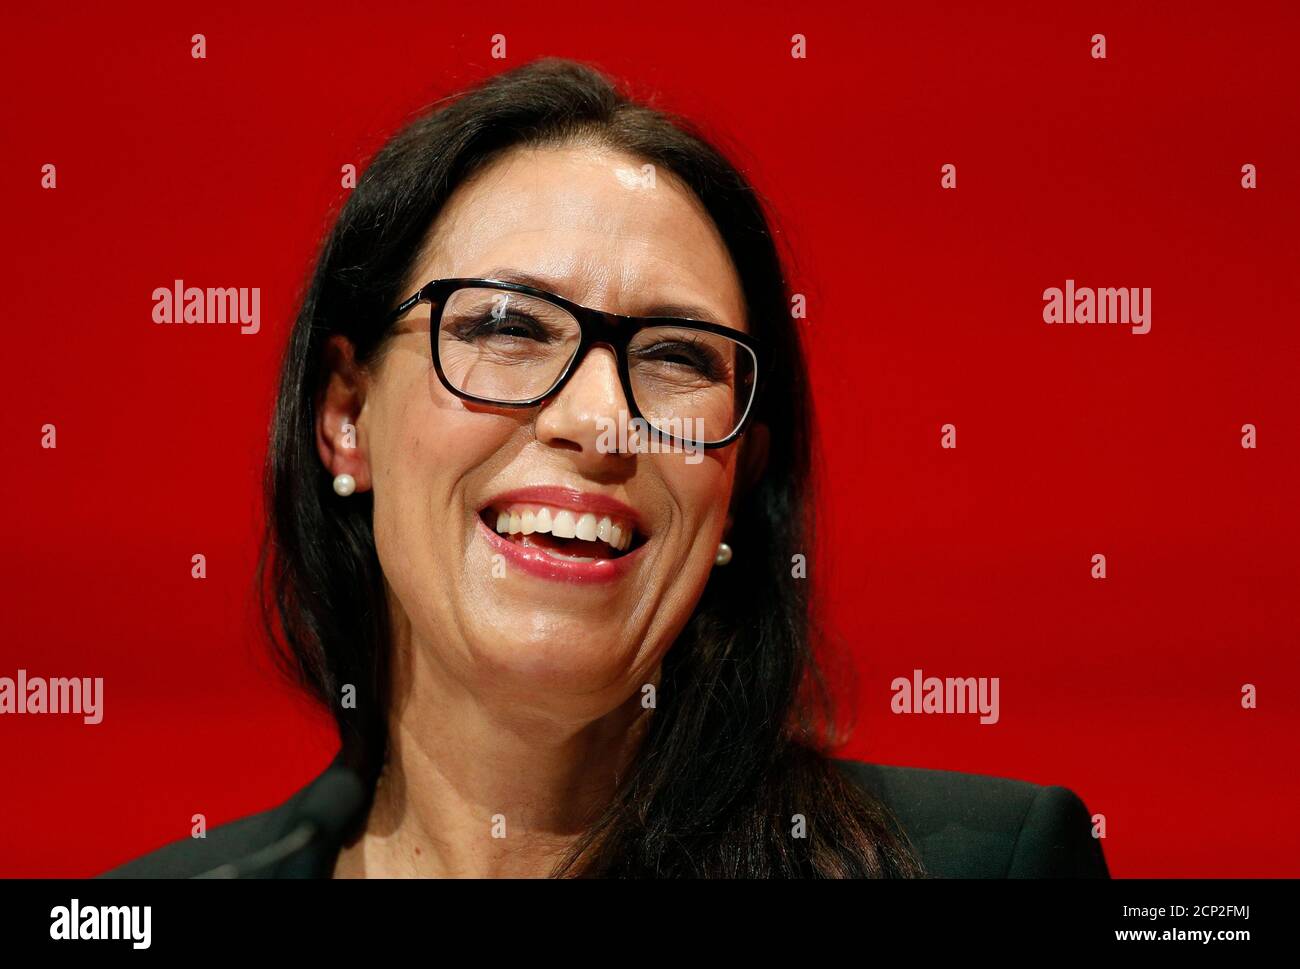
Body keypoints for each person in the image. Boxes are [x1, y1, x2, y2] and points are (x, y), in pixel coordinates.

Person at [103, 57, 1108, 879]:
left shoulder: (979, 868)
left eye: (674, 357)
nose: (601, 422)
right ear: (346, 415)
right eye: (505, 325)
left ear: (741, 476)